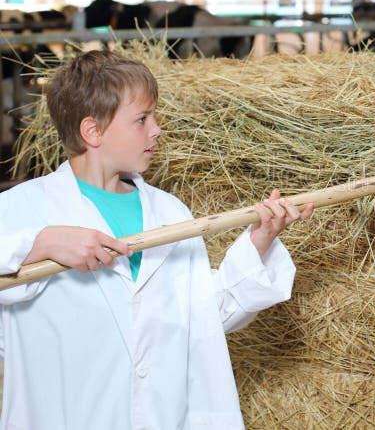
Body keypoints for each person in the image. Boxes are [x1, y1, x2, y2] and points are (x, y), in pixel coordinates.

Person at [0, 50, 312, 430]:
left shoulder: (171, 213)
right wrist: (42, 244)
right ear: (92, 131)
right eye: (142, 119)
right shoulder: (24, 208)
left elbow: (203, 316)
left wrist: (260, 239)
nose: (157, 129)